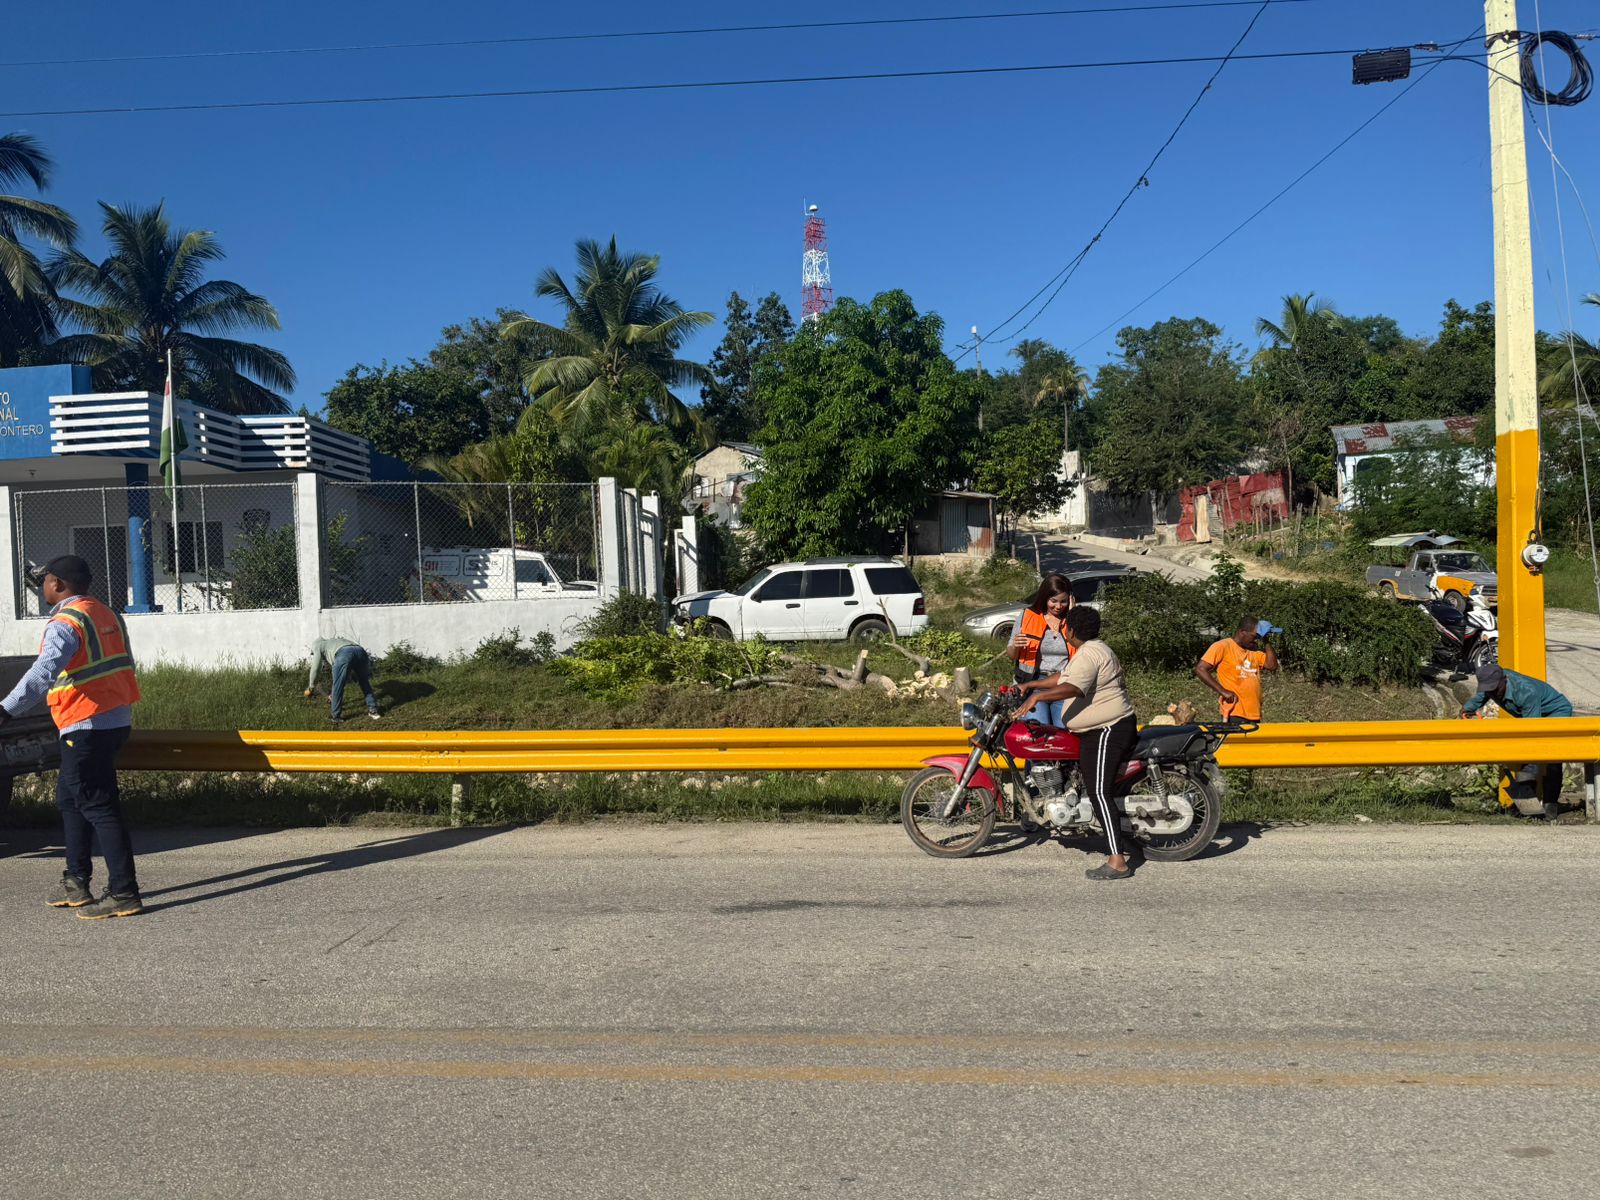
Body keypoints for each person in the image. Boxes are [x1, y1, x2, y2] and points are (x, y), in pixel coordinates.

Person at [0, 555, 143, 919]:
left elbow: (41, 674)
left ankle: (124, 892)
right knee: (70, 799)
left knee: (98, 805)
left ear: (59, 585)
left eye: (44, 581)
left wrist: (5, 711)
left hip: (85, 724)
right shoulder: (106, 614)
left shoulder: (65, 622)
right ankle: (76, 880)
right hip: (112, 721)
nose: (41, 587)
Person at [1014, 606, 1139, 882]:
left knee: (1099, 791)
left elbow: (1074, 688)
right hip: (1100, 728)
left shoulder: (1091, 653)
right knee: (1086, 781)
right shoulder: (1088, 651)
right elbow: (1063, 678)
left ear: (1071, 630)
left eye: (1065, 626)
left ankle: (1118, 861)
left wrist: (1036, 699)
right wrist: (1032, 685)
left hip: (1109, 728)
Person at [1461, 663, 1574, 815]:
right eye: (1489, 689)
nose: (1492, 694)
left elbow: (1531, 731)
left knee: (1551, 758)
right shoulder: (1491, 683)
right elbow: (1482, 696)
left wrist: (1528, 766)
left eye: (1495, 689)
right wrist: (1467, 709)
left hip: (1555, 712)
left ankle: (1550, 805)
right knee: (1528, 761)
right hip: (1531, 716)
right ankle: (1528, 806)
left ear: (1504, 680)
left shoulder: (1526, 692)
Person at [1009, 574, 1075, 724]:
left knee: (1064, 731)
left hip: (1063, 685)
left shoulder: (1073, 619)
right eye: (1053, 601)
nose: (1058, 607)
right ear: (1044, 597)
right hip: (1032, 684)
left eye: (1063, 601)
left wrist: (1074, 616)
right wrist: (1015, 646)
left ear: (1071, 599)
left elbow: (1084, 653)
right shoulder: (1027, 616)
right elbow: (1012, 655)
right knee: (1037, 730)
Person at [1196, 618, 1280, 722]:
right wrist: (1223, 691)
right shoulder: (1223, 646)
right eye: (1254, 636)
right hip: (1233, 711)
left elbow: (1272, 666)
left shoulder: (1253, 652)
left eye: (1258, 637)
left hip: (1254, 714)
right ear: (1242, 633)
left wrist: (1266, 641)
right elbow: (1200, 669)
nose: (1256, 640)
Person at [306, 637, 381, 722]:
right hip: (360, 651)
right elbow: (345, 675)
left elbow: (315, 668)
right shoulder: (332, 642)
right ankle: (373, 710)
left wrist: (311, 686)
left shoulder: (317, 645)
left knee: (337, 686)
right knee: (364, 682)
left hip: (344, 653)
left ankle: (336, 717)